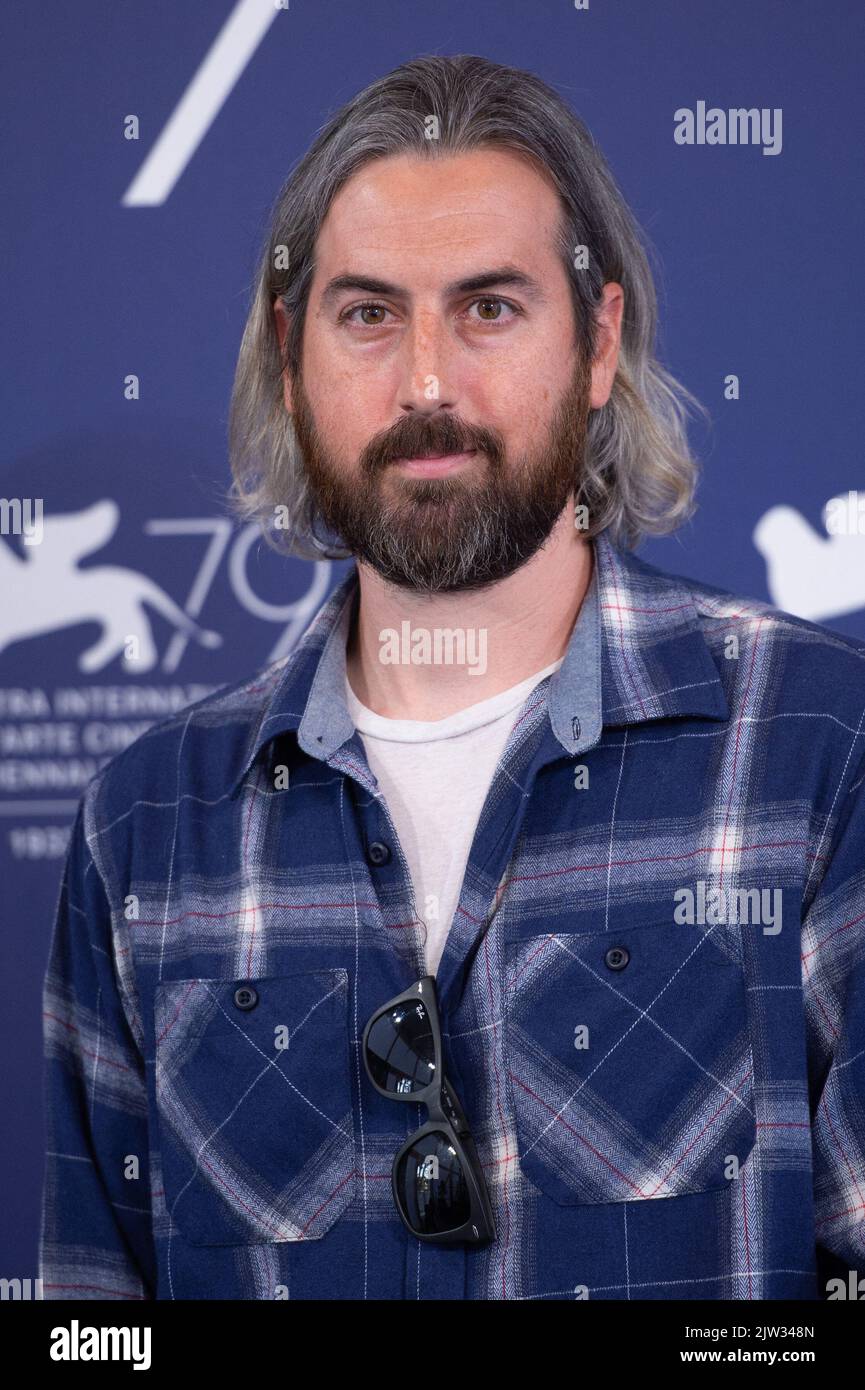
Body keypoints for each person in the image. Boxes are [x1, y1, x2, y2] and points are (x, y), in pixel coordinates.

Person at [40, 54, 864, 1301]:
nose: (426, 382)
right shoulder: (146, 831)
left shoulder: (819, 753)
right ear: (290, 352)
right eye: (368, 313)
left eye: (488, 307)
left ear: (597, 343)